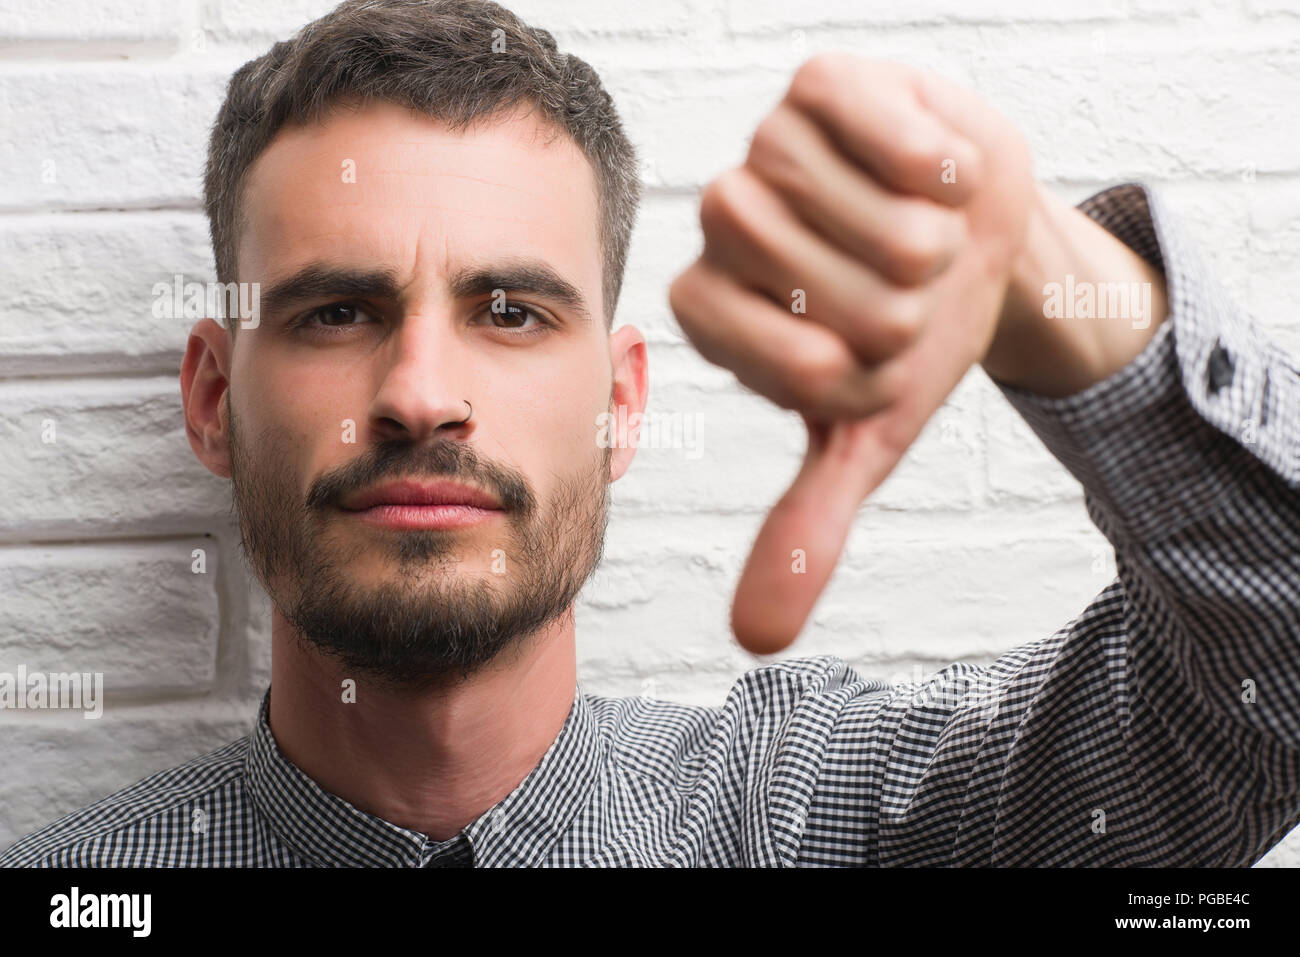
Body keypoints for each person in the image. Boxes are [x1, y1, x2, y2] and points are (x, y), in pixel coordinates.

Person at [3, 0, 1297, 867]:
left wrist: (1042, 275)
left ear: (623, 403)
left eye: (510, 310)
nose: (420, 392)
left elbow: (1268, 705)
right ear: (216, 398)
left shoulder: (818, 820)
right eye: (339, 311)